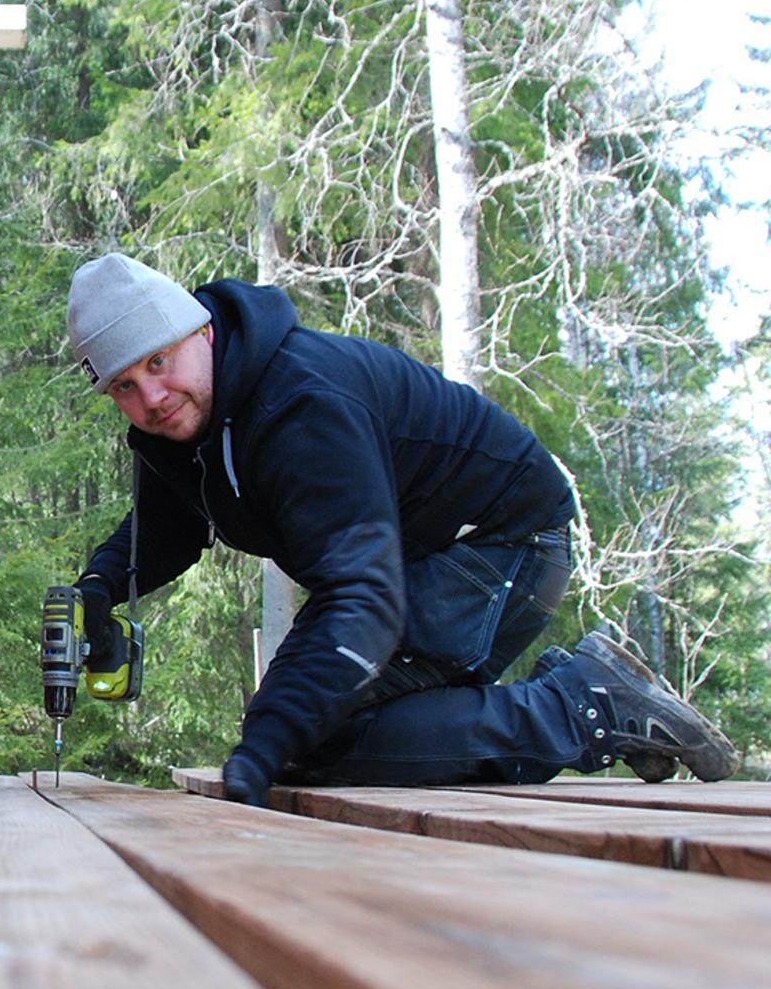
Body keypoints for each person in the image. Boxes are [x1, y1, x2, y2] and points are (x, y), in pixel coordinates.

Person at [57, 252, 739, 806]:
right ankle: (572, 694)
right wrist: (98, 588)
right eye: (123, 386)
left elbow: (363, 600)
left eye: (157, 362)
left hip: (503, 542)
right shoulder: (186, 429)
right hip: (415, 561)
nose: (150, 398)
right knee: (307, 733)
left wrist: (264, 744)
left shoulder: (300, 403)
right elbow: (169, 529)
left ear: (200, 329)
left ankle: (581, 707)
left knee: (297, 740)